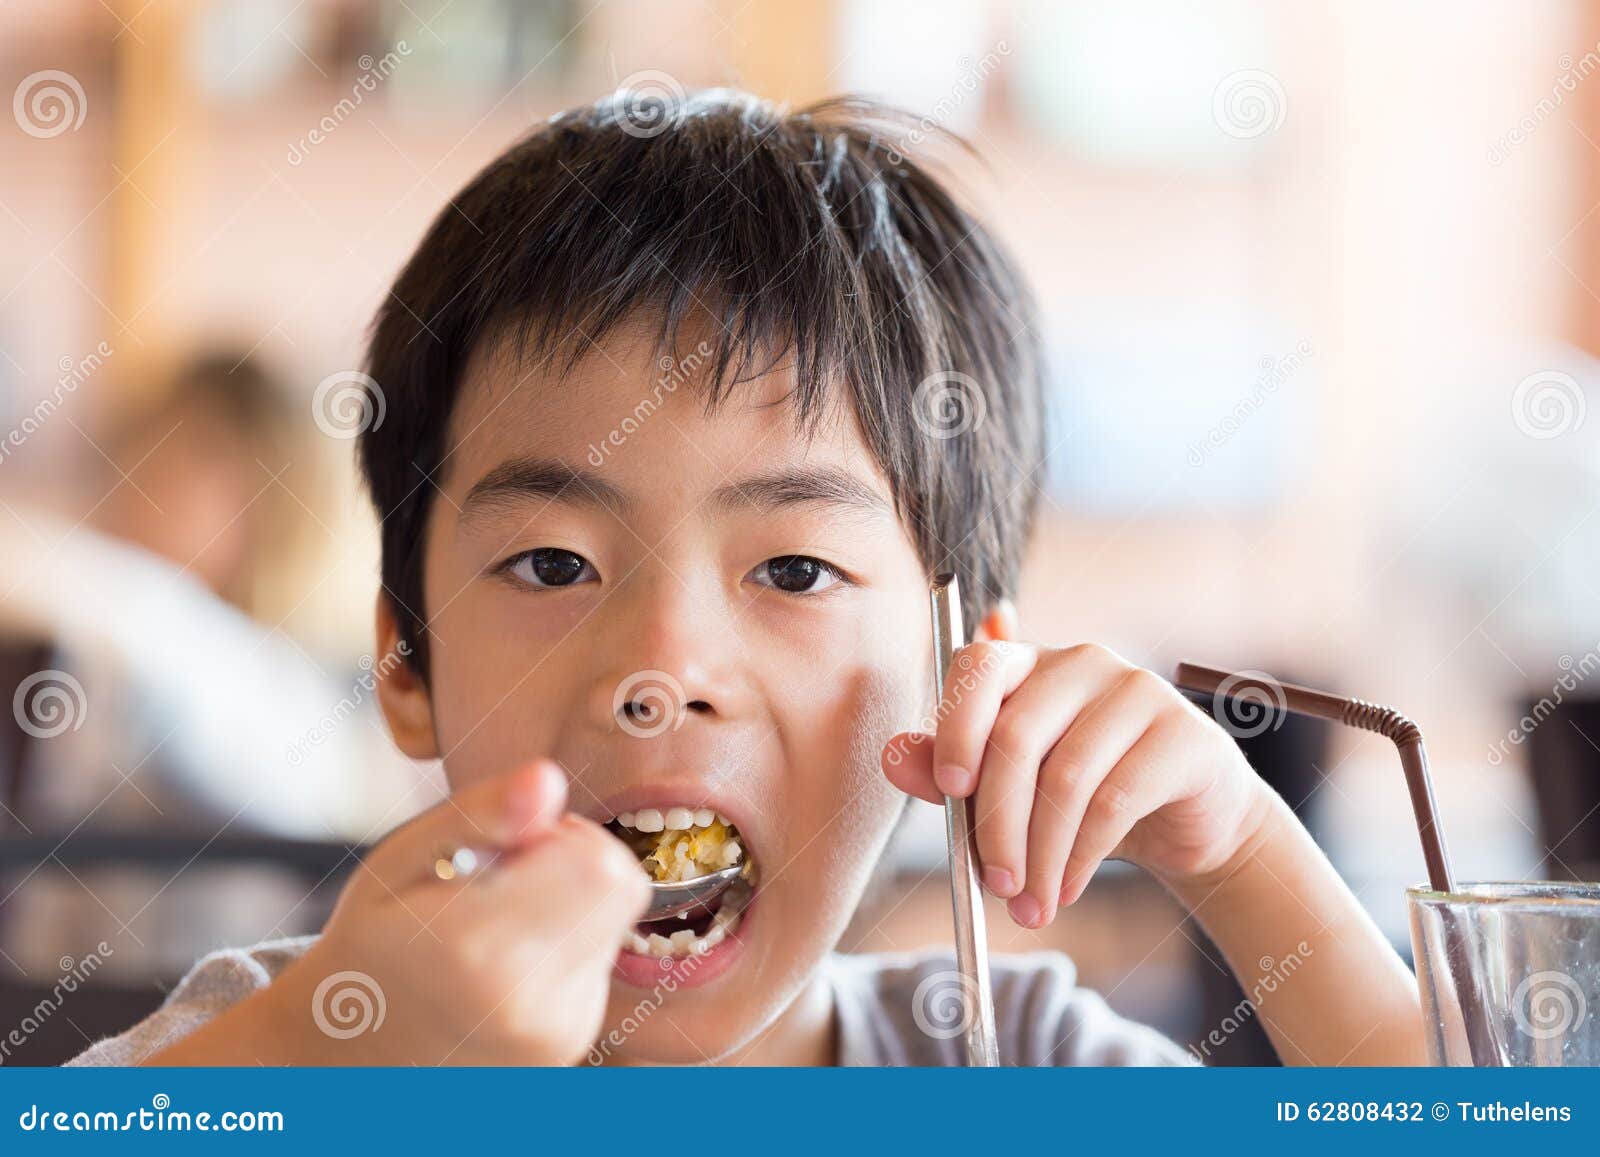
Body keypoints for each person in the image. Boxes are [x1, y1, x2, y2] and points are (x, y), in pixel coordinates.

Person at [68, 90, 1422, 1066]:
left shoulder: (1013, 1068)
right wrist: (317, 1059)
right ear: (407, 662)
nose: (663, 667)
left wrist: (1246, 861)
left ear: (968, 686)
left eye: (792, 565)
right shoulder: (285, 1048)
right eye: (553, 561)